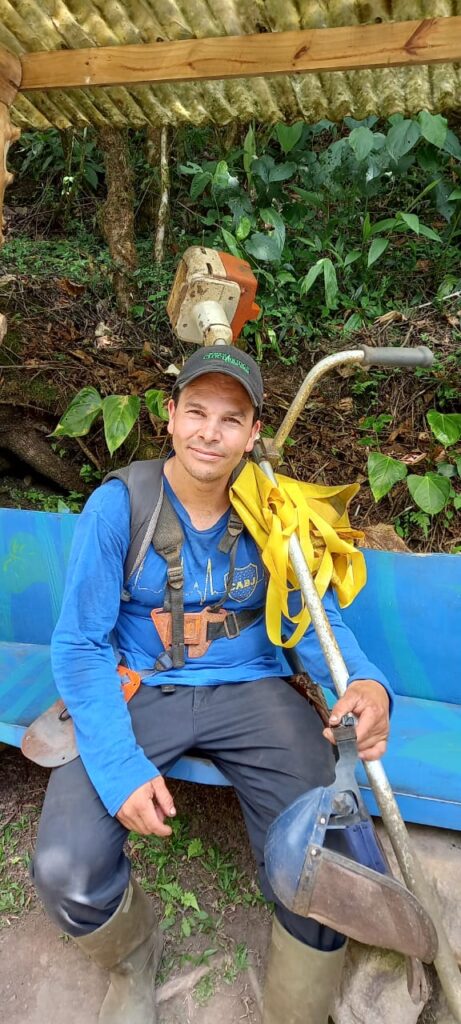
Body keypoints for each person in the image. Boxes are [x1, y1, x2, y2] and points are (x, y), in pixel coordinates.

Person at [32, 345, 391, 1024]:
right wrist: (117, 766)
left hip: (256, 690)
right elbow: (79, 646)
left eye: (231, 419)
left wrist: (367, 684)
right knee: (65, 866)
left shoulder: (273, 511)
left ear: (254, 433)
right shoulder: (120, 506)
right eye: (196, 412)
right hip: (143, 688)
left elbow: (317, 622)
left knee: (330, 861)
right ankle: (134, 957)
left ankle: (296, 1008)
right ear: (169, 417)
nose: (209, 431)